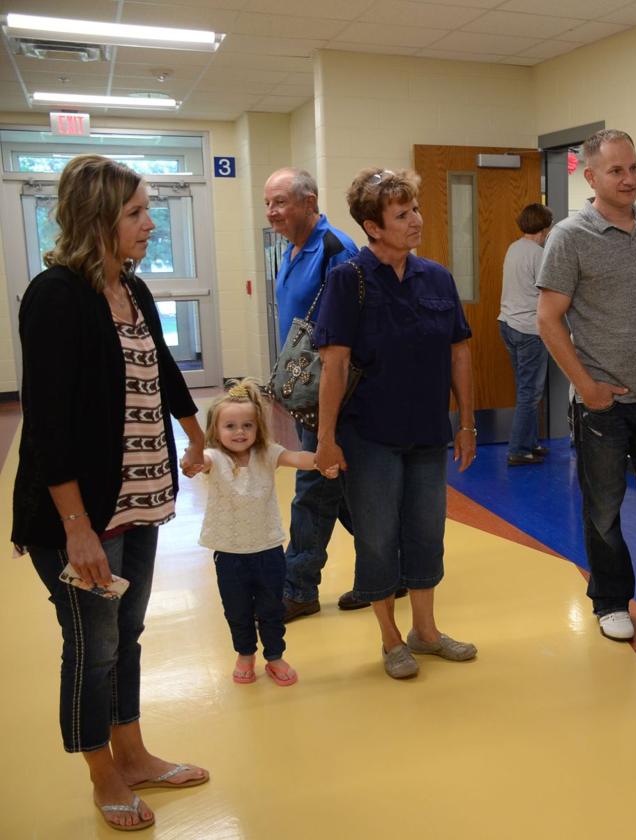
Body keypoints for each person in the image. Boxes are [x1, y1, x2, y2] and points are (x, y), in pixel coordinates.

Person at [12, 154, 210, 831]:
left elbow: (162, 369)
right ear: (97, 219)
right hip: (82, 514)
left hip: (144, 501)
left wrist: (196, 433)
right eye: (136, 213)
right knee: (91, 646)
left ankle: (134, 752)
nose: (150, 223)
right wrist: (75, 527)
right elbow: (48, 424)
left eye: (148, 210)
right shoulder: (56, 295)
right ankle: (102, 771)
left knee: (127, 635)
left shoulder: (134, 288)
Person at [313, 167, 478, 680]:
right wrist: (324, 439)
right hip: (368, 435)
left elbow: (459, 353)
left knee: (427, 531)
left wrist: (467, 422)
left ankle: (425, 632)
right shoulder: (348, 279)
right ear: (372, 226)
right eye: (402, 215)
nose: (416, 221)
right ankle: (389, 637)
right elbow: (334, 364)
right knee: (378, 536)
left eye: (416, 210)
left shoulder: (437, 277)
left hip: (428, 431)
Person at [537, 128, 636, 642]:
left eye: (633, 168)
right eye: (616, 171)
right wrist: (587, 385)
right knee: (603, 508)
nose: (628, 179)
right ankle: (610, 600)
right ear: (591, 175)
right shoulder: (569, 237)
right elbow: (548, 319)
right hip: (602, 405)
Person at [264, 167, 400, 620]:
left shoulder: (335, 250)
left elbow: (352, 330)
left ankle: (298, 586)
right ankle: (387, 572)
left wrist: (331, 410)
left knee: (313, 488)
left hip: (333, 395)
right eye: (268, 203)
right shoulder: (292, 248)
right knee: (339, 492)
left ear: (309, 200)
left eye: (280, 201)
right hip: (305, 392)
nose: (272, 212)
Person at [194, 379, 318, 687]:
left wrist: (322, 460)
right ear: (216, 430)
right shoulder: (216, 458)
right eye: (231, 426)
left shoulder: (267, 454)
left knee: (271, 608)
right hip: (230, 554)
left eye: (247, 425)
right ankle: (245, 654)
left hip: (267, 550)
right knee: (237, 609)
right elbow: (202, 460)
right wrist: (193, 460)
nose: (239, 432)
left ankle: (274, 656)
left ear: (258, 428)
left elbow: (298, 458)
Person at [498, 203, 553, 466]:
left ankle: (530, 443)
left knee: (524, 387)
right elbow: (550, 292)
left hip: (508, 324)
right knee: (530, 392)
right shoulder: (539, 254)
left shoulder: (514, 248)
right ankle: (519, 449)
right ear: (544, 228)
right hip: (529, 330)